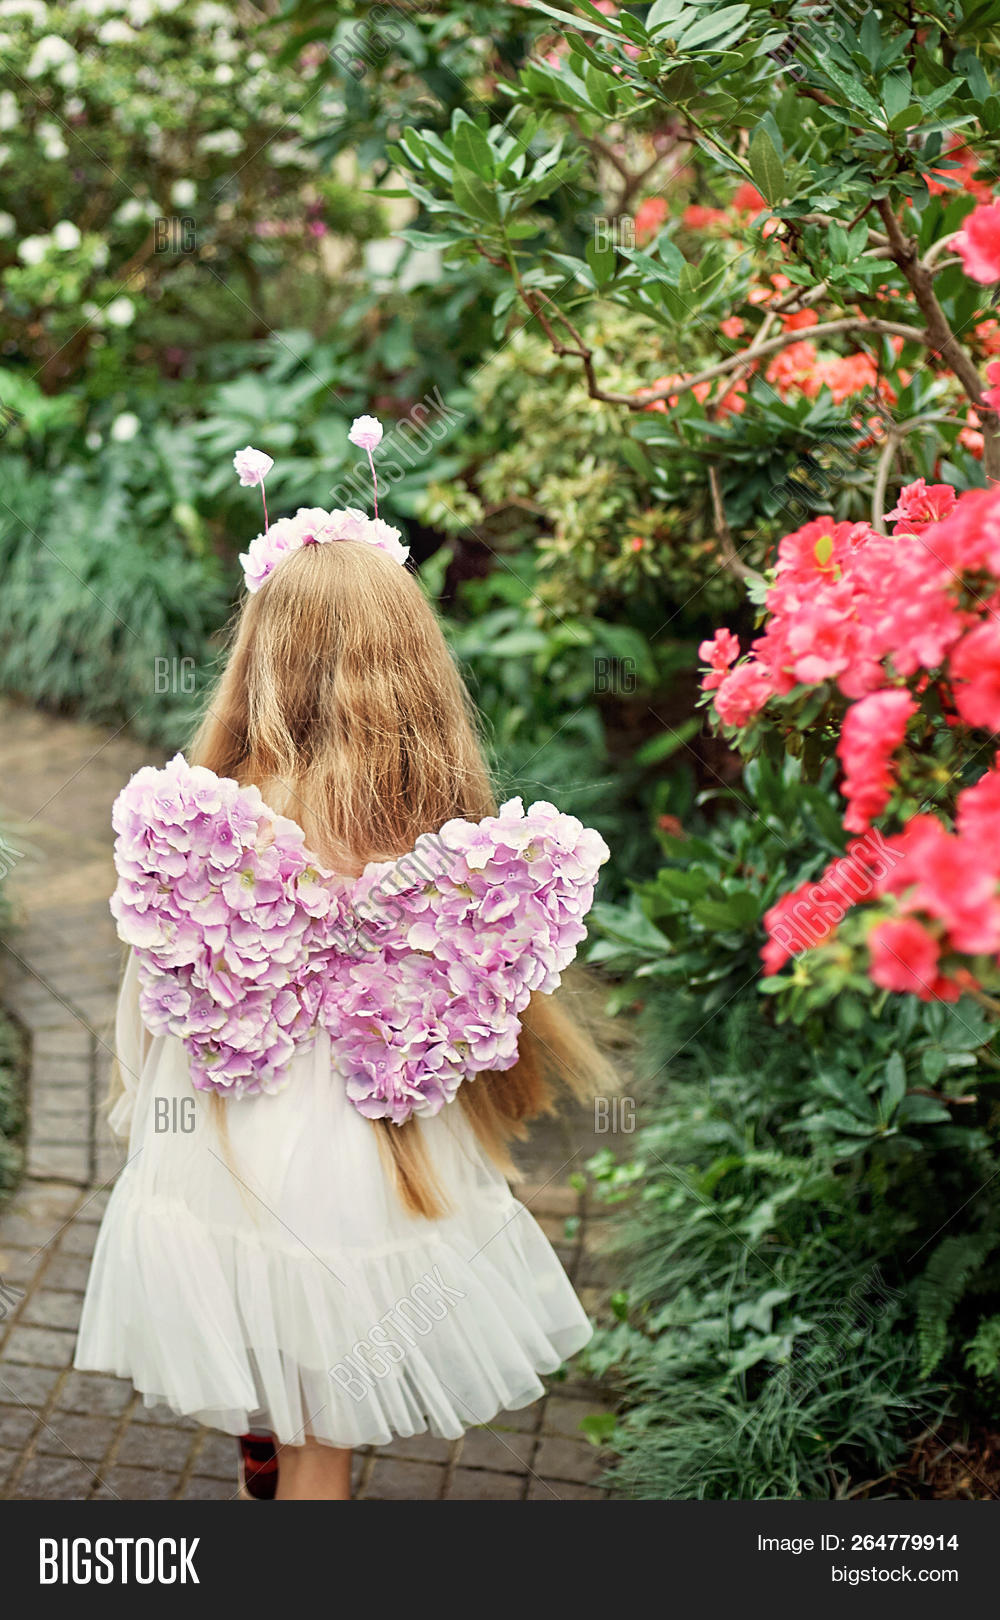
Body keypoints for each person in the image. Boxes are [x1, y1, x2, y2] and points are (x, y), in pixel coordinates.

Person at [74, 425, 611, 1501]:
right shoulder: (439, 842)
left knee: (246, 1288)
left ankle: (264, 1452)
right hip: (372, 1137)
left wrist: (143, 1089)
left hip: (234, 1116)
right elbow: (478, 999)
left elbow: (160, 984)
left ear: (263, 657)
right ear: (409, 664)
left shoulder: (210, 818)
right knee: (333, 1345)